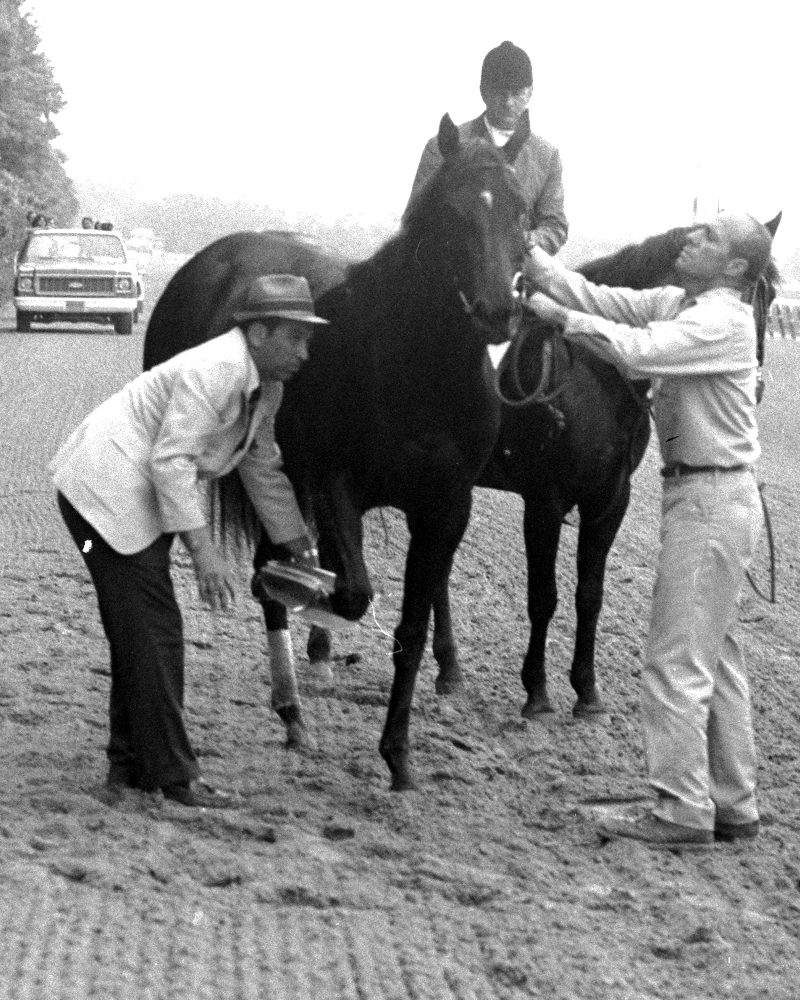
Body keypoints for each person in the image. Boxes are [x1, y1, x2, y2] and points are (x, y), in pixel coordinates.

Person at [524, 211, 772, 848]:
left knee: (674, 661)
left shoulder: (721, 321)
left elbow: (635, 349)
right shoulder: (678, 303)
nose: (690, 238)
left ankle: (681, 809)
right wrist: (533, 259)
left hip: (709, 498)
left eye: (709, 237)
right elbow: (601, 297)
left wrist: (560, 319)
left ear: (735, 267)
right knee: (716, 657)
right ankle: (733, 803)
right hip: (712, 495)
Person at [51, 274, 327, 808]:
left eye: (307, 339)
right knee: (155, 634)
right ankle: (173, 777)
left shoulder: (266, 387)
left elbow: (260, 465)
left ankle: (128, 768)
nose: (304, 353)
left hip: (133, 497)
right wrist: (205, 553)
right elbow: (171, 462)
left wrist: (297, 541)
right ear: (258, 333)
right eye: (295, 337)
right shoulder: (216, 368)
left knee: (141, 632)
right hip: (101, 497)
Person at [407, 40, 568, 255]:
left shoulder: (546, 156)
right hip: (454, 263)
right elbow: (415, 218)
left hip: (521, 263)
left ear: (530, 93)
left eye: (517, 93)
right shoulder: (442, 147)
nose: (508, 102)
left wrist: (517, 242)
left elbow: (555, 225)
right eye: (501, 92)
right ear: (484, 92)